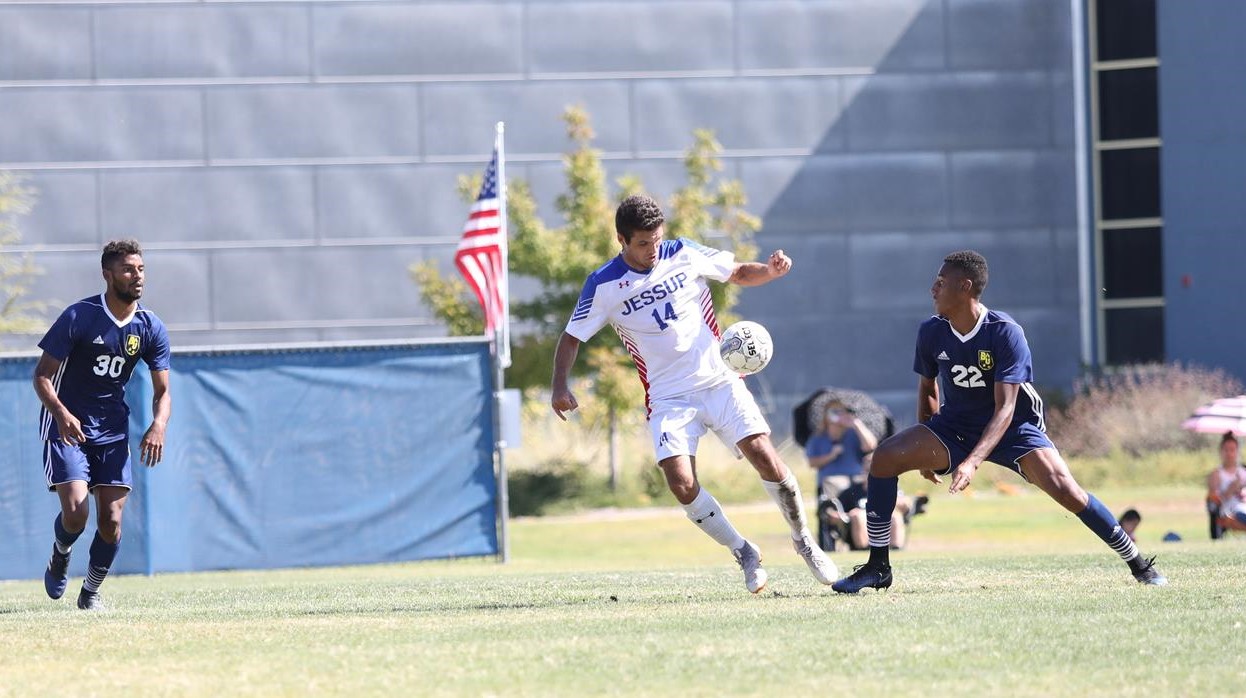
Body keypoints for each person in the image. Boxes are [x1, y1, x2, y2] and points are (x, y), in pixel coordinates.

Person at [832, 250, 1167, 593]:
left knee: (1067, 490)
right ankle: (877, 567)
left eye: (941, 282)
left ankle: (1139, 564)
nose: (933, 288)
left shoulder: (1005, 332)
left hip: (1014, 428)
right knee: (885, 459)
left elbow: (1004, 409)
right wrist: (924, 446)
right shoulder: (931, 332)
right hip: (955, 427)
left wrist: (973, 463)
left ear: (964, 287)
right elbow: (928, 389)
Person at [550, 194, 836, 593]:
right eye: (642, 244)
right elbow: (570, 338)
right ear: (621, 239)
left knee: (765, 457)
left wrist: (769, 272)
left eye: (656, 239)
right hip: (668, 398)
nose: (652, 251)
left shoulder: (683, 252)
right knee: (681, 482)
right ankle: (744, 551)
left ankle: (804, 541)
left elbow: (736, 272)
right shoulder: (603, 285)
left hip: (719, 380)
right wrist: (560, 385)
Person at [33, 239, 171, 610]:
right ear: (107, 274)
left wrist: (158, 424)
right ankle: (60, 551)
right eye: (128, 269)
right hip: (67, 429)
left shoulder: (149, 326)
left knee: (110, 521)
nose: (137, 276)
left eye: (141, 268)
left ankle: (90, 594)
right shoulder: (79, 316)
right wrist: (61, 414)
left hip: (111, 431)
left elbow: (163, 391)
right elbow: (42, 377)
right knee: (77, 513)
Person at [805, 400, 877, 501]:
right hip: (831, 482)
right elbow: (812, 463)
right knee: (836, 485)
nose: (841, 414)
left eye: (843, 411)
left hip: (856, 480)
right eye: (836, 411)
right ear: (827, 415)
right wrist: (831, 456)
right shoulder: (817, 438)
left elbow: (870, 446)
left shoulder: (854, 434)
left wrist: (856, 423)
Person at [1207, 432, 1246, 534]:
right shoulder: (1216, 474)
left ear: (1237, 452)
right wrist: (1232, 488)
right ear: (1221, 452)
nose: (1229, 453)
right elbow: (1213, 504)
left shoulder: (1243, 471)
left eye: (1232, 450)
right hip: (1229, 512)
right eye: (1226, 450)